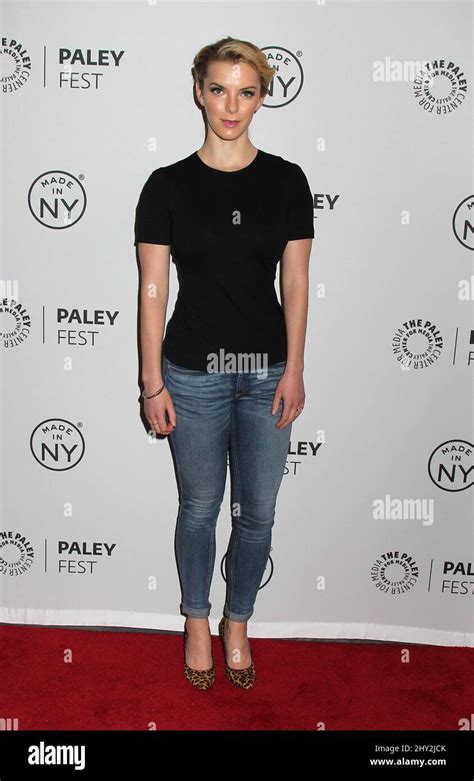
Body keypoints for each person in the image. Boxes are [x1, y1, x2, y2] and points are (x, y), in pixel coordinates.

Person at [134, 36, 314, 691]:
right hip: (192, 373)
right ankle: (194, 618)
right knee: (200, 508)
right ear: (198, 91)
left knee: (258, 513)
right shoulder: (167, 186)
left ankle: (238, 621)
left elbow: (295, 284)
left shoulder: (288, 180)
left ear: (263, 96)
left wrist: (294, 368)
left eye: (246, 91)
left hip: (267, 371)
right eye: (218, 89)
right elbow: (152, 290)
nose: (230, 105)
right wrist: (151, 379)